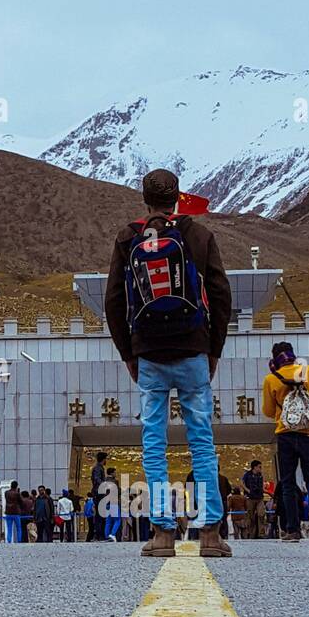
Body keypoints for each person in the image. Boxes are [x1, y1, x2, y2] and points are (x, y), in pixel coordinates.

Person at [104, 166, 232, 558]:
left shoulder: (129, 238)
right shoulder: (199, 234)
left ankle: (162, 533)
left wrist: (129, 353)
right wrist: (212, 349)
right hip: (193, 350)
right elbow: (220, 294)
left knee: (154, 444)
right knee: (202, 443)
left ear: (144, 198)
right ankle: (209, 532)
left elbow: (113, 301)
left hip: (150, 355)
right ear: (178, 197)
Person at [262, 342, 309, 544]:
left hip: (286, 434)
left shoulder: (272, 379)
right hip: (308, 433)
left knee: (288, 483)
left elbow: (267, 410)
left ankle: (292, 529)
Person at [242, 460, 266, 540]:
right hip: (250, 498)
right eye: (259, 467)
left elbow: (262, 483)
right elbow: (242, 483)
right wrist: (248, 490)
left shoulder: (260, 475)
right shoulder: (247, 475)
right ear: (254, 467)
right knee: (250, 516)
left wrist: (263, 489)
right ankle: (251, 533)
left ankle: (261, 533)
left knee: (261, 514)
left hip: (259, 498)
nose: (260, 469)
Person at [91, 452, 108, 541]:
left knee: (100, 515)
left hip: (99, 493)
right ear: (103, 459)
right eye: (106, 459)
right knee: (100, 516)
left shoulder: (99, 467)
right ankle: (99, 536)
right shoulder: (98, 468)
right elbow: (97, 479)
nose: (106, 461)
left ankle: (99, 535)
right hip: (99, 494)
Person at [104, 468, 121, 541]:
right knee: (117, 520)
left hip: (106, 503)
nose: (115, 474)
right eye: (115, 472)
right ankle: (113, 534)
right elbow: (118, 491)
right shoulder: (115, 481)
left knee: (108, 521)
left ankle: (107, 536)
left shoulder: (104, 481)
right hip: (114, 502)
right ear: (111, 473)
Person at [217, 463, 232, 540]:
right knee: (224, 519)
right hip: (223, 502)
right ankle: (224, 535)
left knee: (215, 519)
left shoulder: (210, 480)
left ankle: (216, 534)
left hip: (214, 502)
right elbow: (229, 490)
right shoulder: (224, 479)